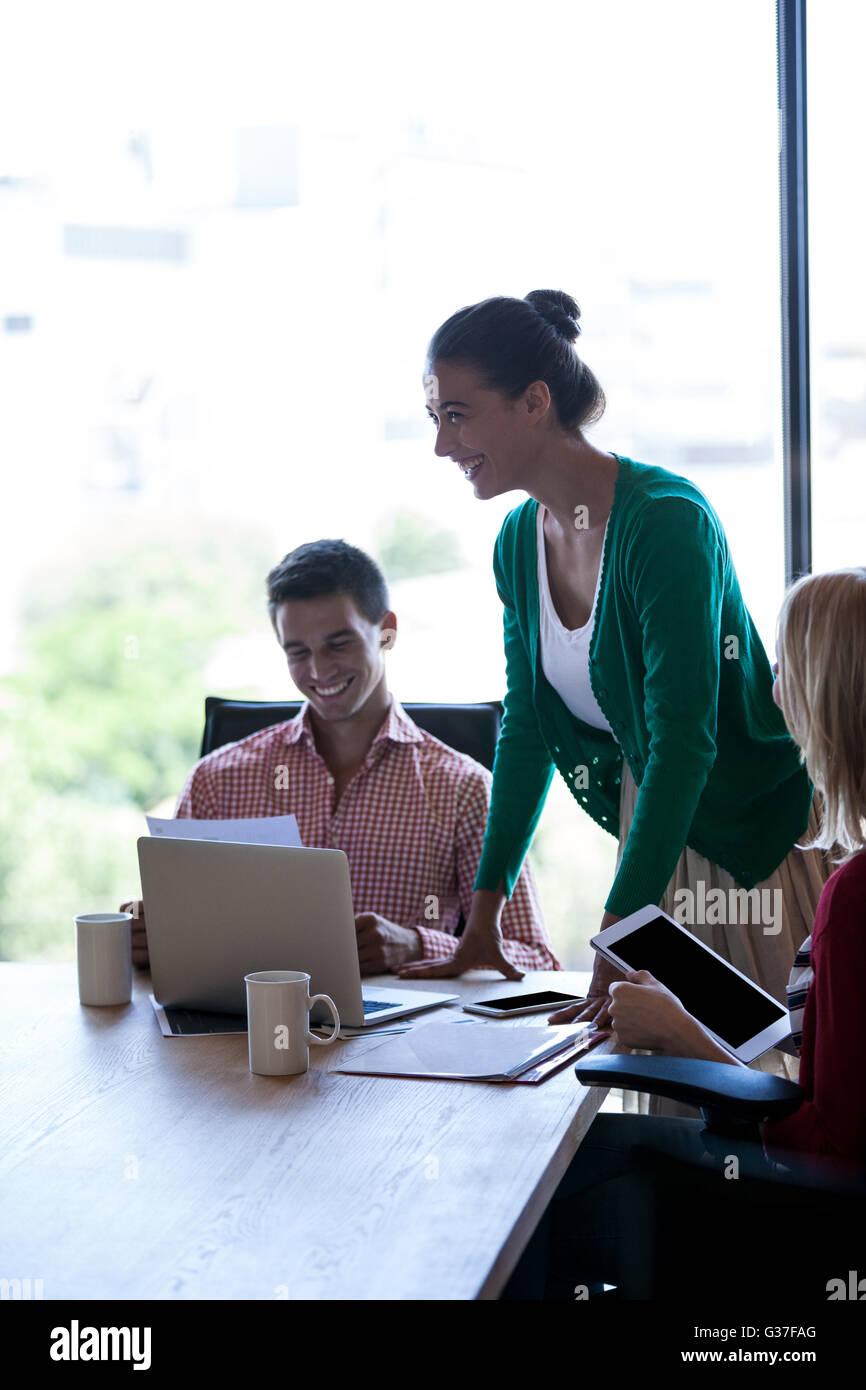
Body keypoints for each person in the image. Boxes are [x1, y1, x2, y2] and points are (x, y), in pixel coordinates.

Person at [401, 290, 831, 1072]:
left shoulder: (666, 522)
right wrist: (481, 921)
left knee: (766, 1087)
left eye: (456, 415)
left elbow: (683, 743)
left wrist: (616, 929)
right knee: (669, 1091)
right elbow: (526, 727)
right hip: (656, 839)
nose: (441, 444)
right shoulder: (517, 542)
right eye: (434, 417)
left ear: (534, 403)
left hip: (745, 838)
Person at [504, 568, 866, 1297]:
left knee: (537, 1189)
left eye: (784, 674)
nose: (769, 695)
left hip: (817, 1222)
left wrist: (682, 1037)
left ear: (828, 702)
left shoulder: (854, 896)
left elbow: (834, 1149)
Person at [122, 539, 555, 975]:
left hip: (400, 1037)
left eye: (339, 644)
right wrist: (147, 935)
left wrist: (417, 944)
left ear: (387, 630)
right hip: (239, 1034)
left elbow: (537, 960)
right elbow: (175, 932)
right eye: (298, 652)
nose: (319, 670)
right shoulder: (216, 781)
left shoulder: (463, 788)